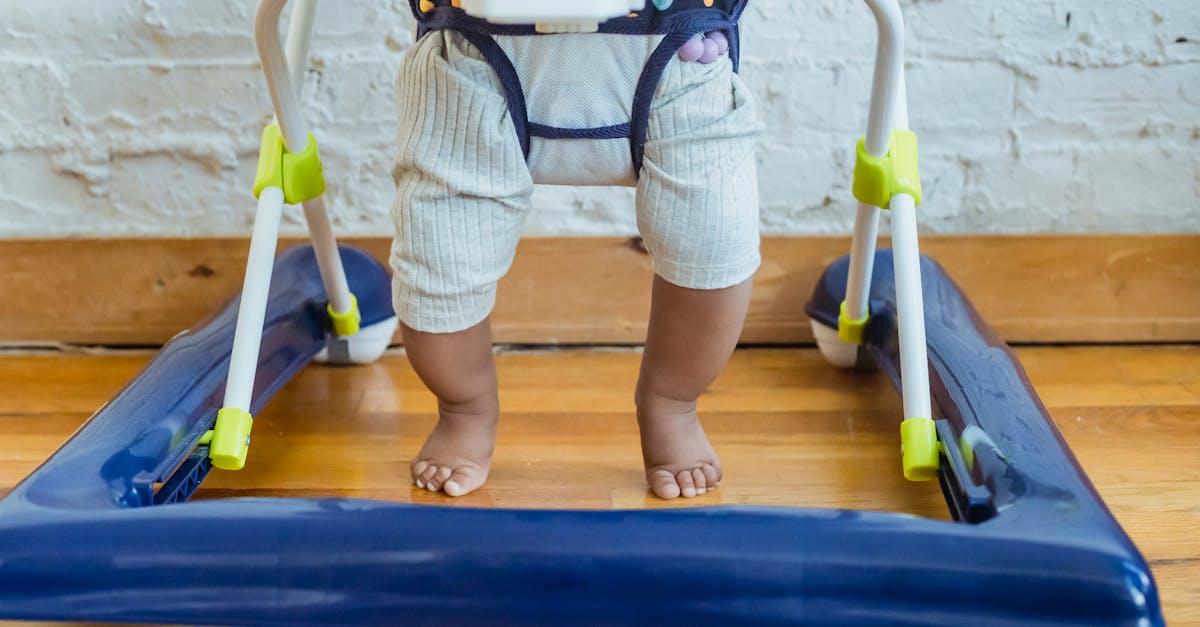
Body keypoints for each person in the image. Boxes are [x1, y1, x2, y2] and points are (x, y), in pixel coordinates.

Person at [392, 0, 759, 499]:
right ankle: (464, 408)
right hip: (478, 57)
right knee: (439, 255)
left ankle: (672, 403)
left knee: (713, 243)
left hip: (676, 54)